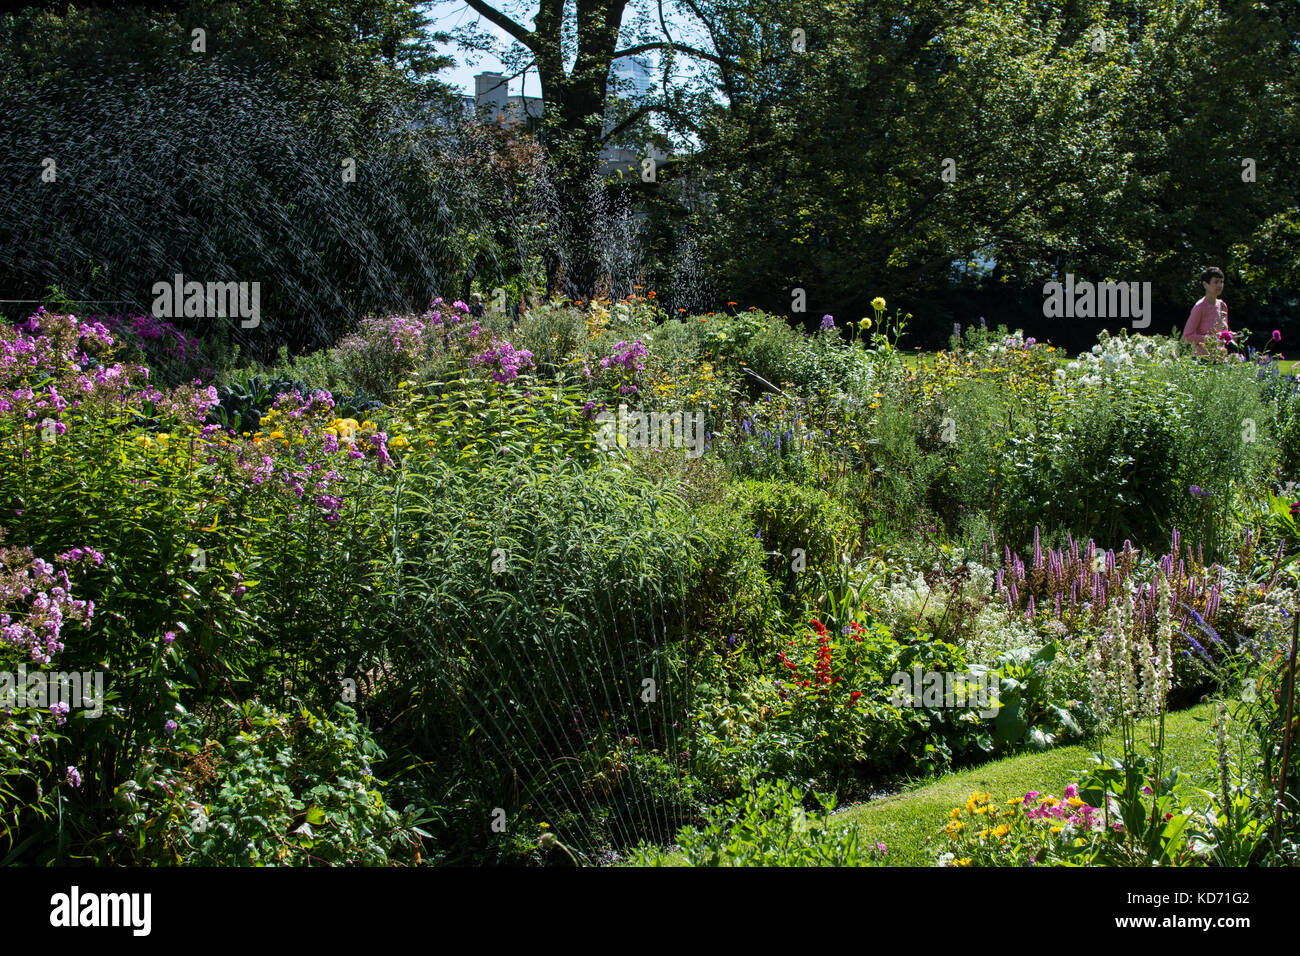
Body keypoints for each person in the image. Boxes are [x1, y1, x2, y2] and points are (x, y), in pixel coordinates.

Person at [1182, 266, 1229, 357]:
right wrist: (1209, 339)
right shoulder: (1200, 307)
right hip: (1203, 360)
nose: (1219, 285)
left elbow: (1223, 332)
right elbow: (1187, 336)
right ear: (1205, 284)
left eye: (1221, 282)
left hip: (1220, 358)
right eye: (1216, 282)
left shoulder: (1223, 306)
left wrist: (1230, 336)